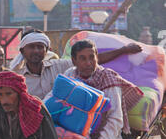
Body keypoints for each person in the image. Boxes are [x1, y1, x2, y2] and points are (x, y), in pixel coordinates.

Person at [11, 29, 142, 100]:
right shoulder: (16, 77)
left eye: (40, 47)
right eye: (32, 47)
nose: (36, 51)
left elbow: (88, 61)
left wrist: (123, 50)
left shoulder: (59, 66)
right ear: (22, 50)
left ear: (47, 50)